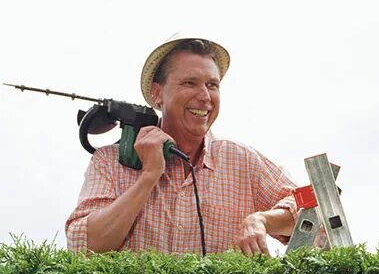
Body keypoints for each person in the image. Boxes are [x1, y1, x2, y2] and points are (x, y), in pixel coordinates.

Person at [66, 36, 297, 256]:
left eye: (212, 85)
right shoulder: (109, 161)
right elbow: (81, 246)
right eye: (190, 83)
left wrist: (262, 220)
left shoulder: (242, 160)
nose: (205, 96)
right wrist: (148, 177)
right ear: (158, 93)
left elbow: (313, 204)